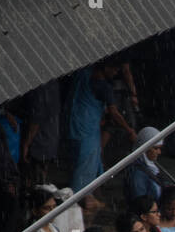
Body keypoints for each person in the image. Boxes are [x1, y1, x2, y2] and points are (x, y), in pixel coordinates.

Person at [68, 62, 137, 192]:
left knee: (81, 162)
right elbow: (114, 112)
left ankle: (88, 193)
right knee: (85, 166)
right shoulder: (103, 86)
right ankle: (79, 196)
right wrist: (129, 130)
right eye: (115, 70)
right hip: (87, 130)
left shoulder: (83, 74)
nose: (116, 73)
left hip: (75, 126)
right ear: (106, 67)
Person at [125, 127, 164, 202]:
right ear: (144, 148)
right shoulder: (137, 174)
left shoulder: (150, 167)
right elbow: (141, 203)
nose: (159, 152)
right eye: (155, 148)